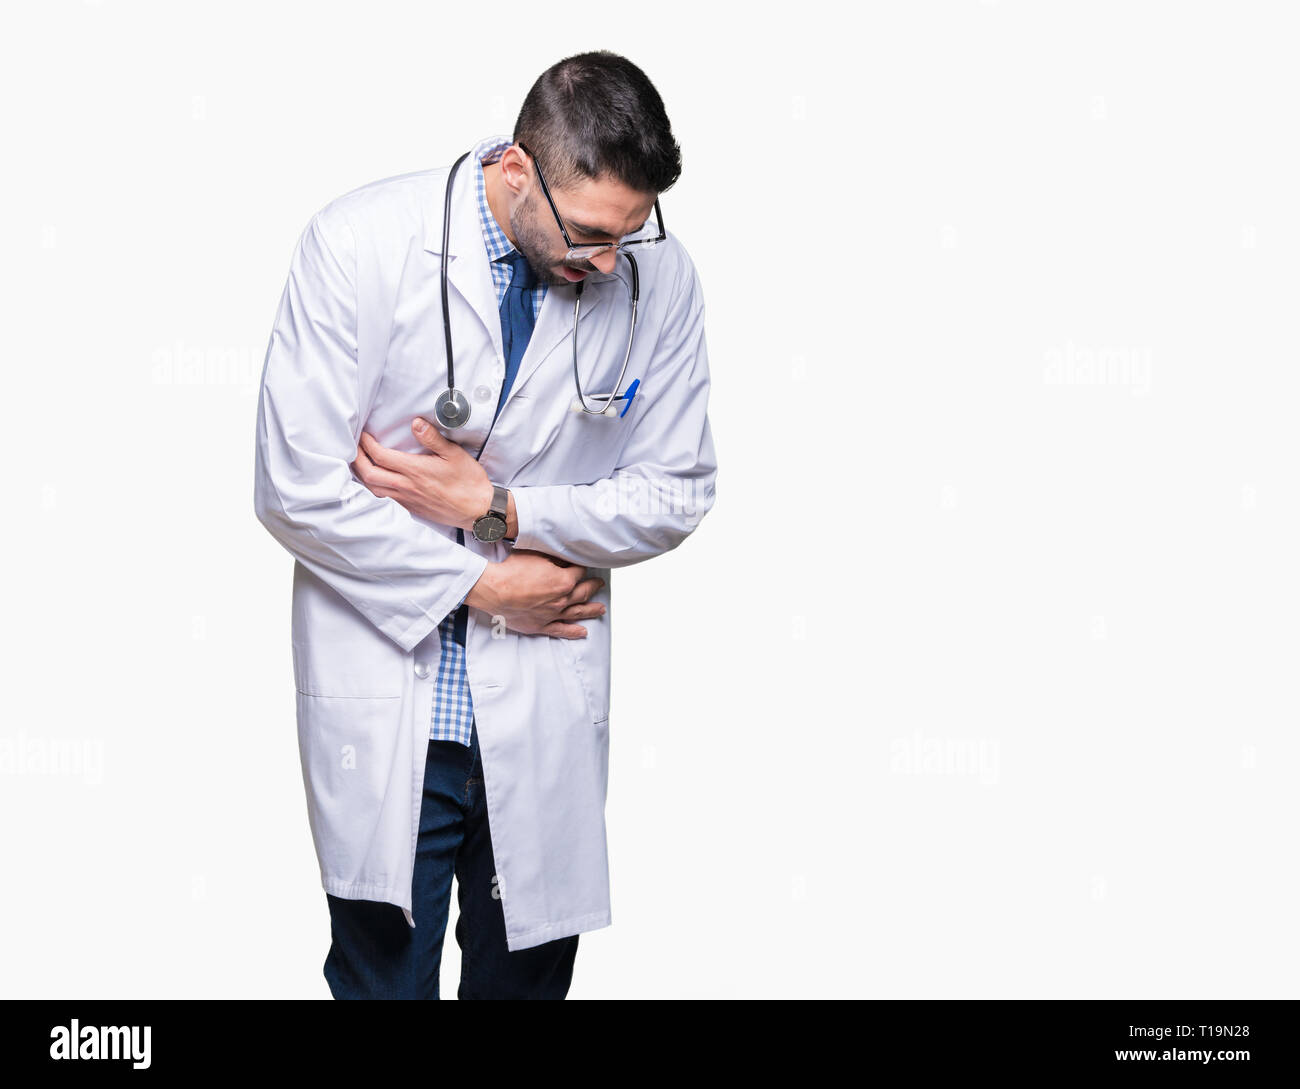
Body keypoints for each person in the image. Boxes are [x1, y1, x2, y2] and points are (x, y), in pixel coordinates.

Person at [253, 50, 716, 1000]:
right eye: (590, 234)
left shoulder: (657, 280)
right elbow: (295, 484)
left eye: (631, 234)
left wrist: (501, 509)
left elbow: (677, 488)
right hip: (393, 696)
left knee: (526, 991)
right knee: (384, 988)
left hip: (543, 695)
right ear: (518, 169)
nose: (609, 262)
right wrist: (486, 581)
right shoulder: (360, 245)